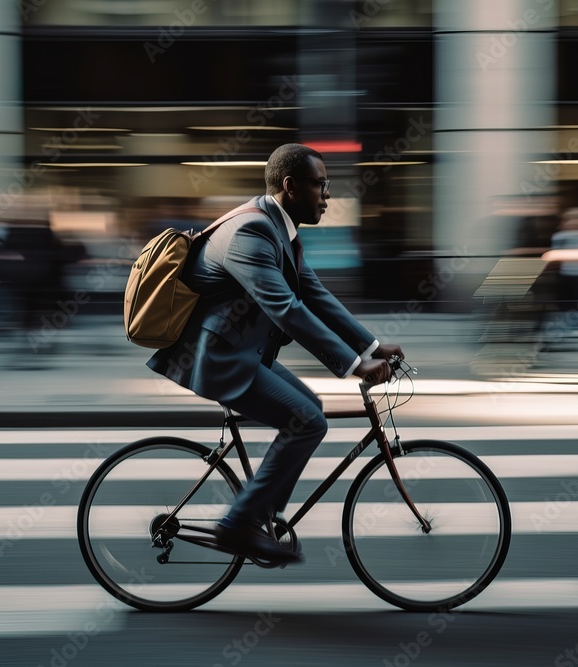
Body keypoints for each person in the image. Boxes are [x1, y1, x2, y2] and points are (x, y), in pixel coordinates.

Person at [147, 143, 403, 564]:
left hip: (240, 352)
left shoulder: (277, 228)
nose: (327, 196)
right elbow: (286, 309)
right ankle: (238, 525)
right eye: (320, 185)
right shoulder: (252, 232)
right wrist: (356, 366)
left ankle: (258, 517)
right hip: (218, 359)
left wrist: (371, 346)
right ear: (290, 186)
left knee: (311, 410)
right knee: (306, 422)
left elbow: (315, 295)